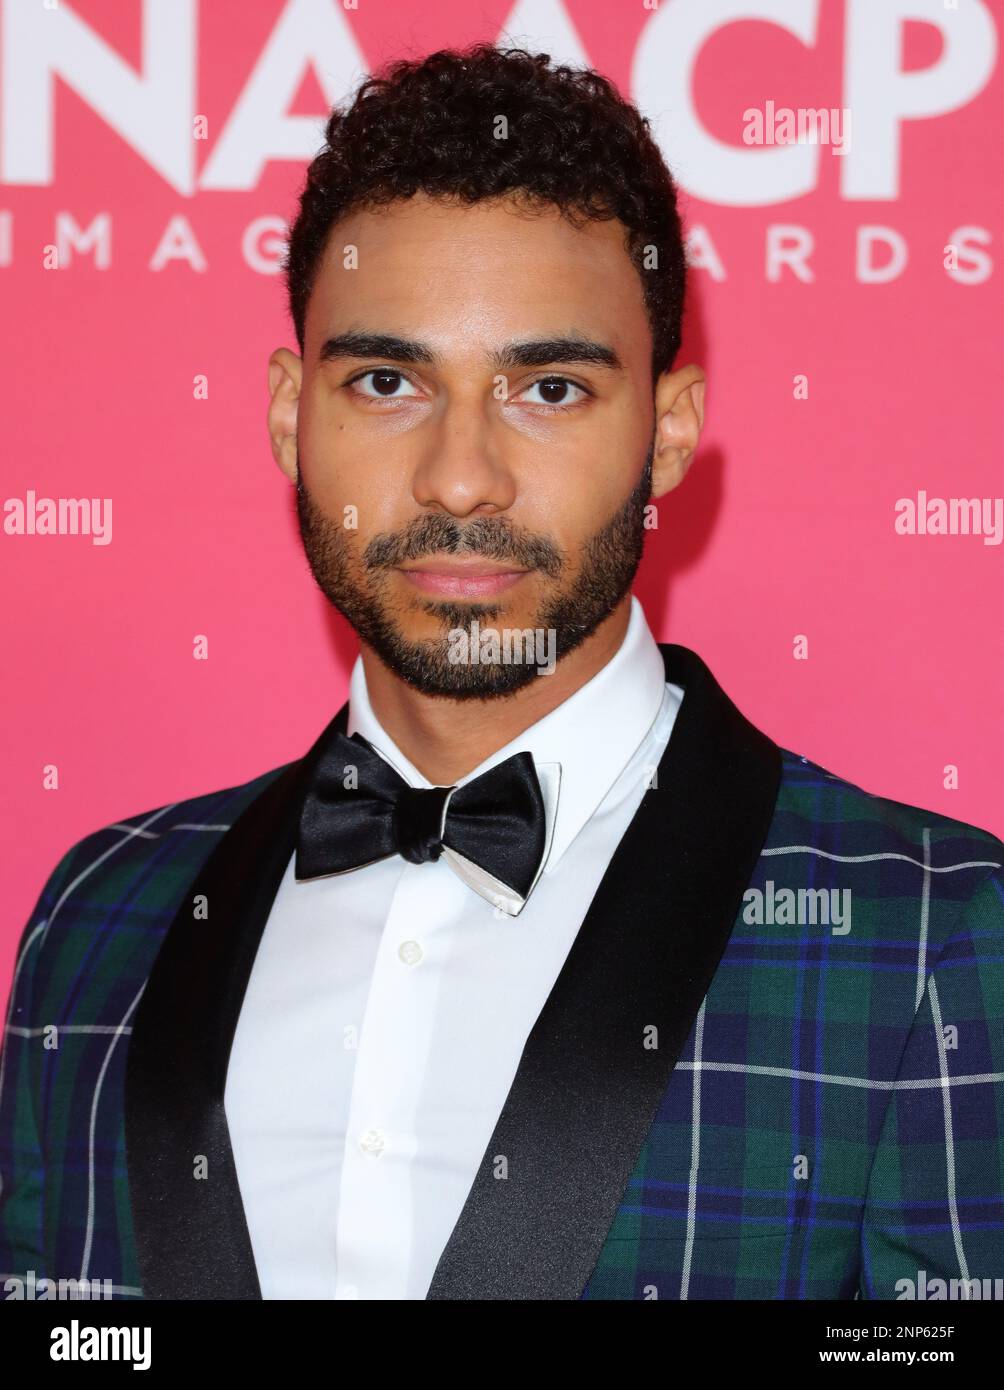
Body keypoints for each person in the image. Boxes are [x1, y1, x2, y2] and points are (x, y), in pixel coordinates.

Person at [2, 43, 1002, 1304]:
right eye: (384, 380)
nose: (459, 477)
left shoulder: (934, 933)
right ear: (286, 416)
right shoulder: (100, 914)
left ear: (668, 428)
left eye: (546, 387)